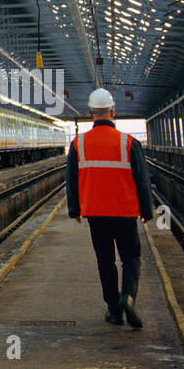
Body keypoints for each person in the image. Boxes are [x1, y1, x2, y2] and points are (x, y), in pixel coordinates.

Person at [66, 88, 154, 327]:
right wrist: (147, 211)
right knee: (131, 257)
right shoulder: (129, 143)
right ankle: (128, 297)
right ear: (112, 112)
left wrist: (74, 209)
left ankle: (114, 309)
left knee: (105, 261)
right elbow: (142, 181)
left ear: (92, 113)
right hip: (125, 212)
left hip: (95, 211)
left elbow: (71, 179)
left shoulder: (78, 143)